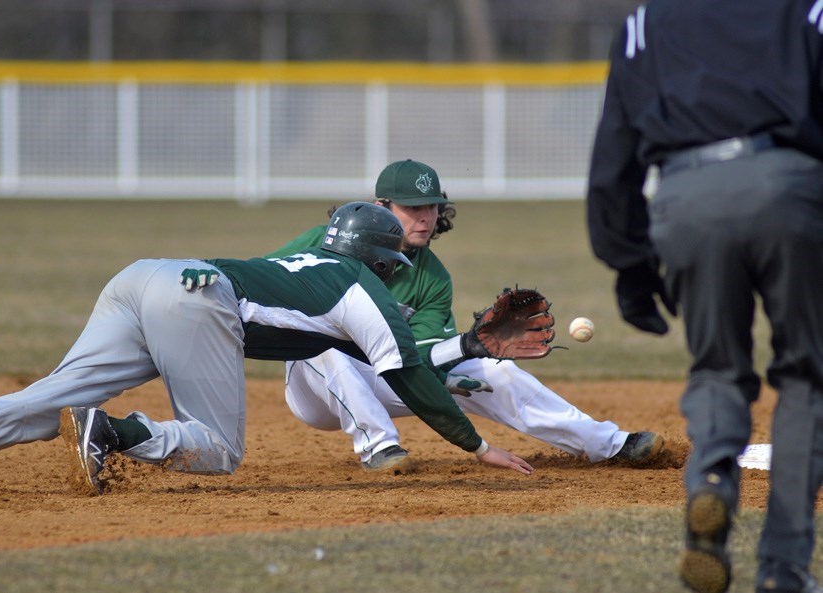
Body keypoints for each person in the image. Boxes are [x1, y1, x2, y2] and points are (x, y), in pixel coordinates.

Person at [0, 201, 534, 500]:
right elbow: (408, 373)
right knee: (217, 448)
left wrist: (467, 343)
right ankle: (112, 432)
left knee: (47, 399)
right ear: (380, 259)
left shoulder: (313, 266)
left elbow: (394, 359)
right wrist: (476, 445)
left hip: (145, 277)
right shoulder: (363, 288)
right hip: (197, 300)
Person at [586, 2, 823, 593]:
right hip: (789, 186)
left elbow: (614, 155)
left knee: (718, 368)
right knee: (806, 377)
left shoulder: (645, 23)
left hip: (687, 195)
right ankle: (783, 568)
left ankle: (712, 481)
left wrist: (630, 263)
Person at [266, 159, 665, 472]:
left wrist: (466, 346)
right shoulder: (324, 241)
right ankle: (380, 447)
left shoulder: (432, 278)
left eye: (432, 206)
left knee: (494, 372)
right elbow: (260, 286)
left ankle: (609, 444)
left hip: (382, 378)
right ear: (381, 207)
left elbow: (417, 358)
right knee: (324, 342)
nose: (426, 217)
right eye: (412, 207)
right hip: (314, 390)